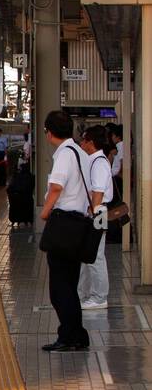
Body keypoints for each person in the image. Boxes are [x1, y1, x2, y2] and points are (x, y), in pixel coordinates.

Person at [40, 110, 93, 352]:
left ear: (49, 132)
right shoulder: (80, 153)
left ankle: (69, 337)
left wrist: (44, 212)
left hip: (64, 224)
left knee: (59, 288)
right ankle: (77, 335)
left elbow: (56, 188)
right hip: (78, 224)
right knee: (69, 284)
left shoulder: (64, 155)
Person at [78, 125, 113, 310]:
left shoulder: (99, 162)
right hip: (94, 212)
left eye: (83, 140)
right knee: (86, 255)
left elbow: (98, 192)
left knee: (95, 256)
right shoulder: (93, 160)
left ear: (91, 142)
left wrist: (91, 215)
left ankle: (100, 297)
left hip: (98, 213)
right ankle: (83, 293)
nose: (81, 143)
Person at [105, 122, 124, 204]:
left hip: (117, 178)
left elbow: (122, 161)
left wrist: (120, 174)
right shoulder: (118, 147)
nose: (111, 137)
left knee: (116, 203)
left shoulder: (121, 146)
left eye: (113, 135)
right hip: (116, 177)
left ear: (118, 137)